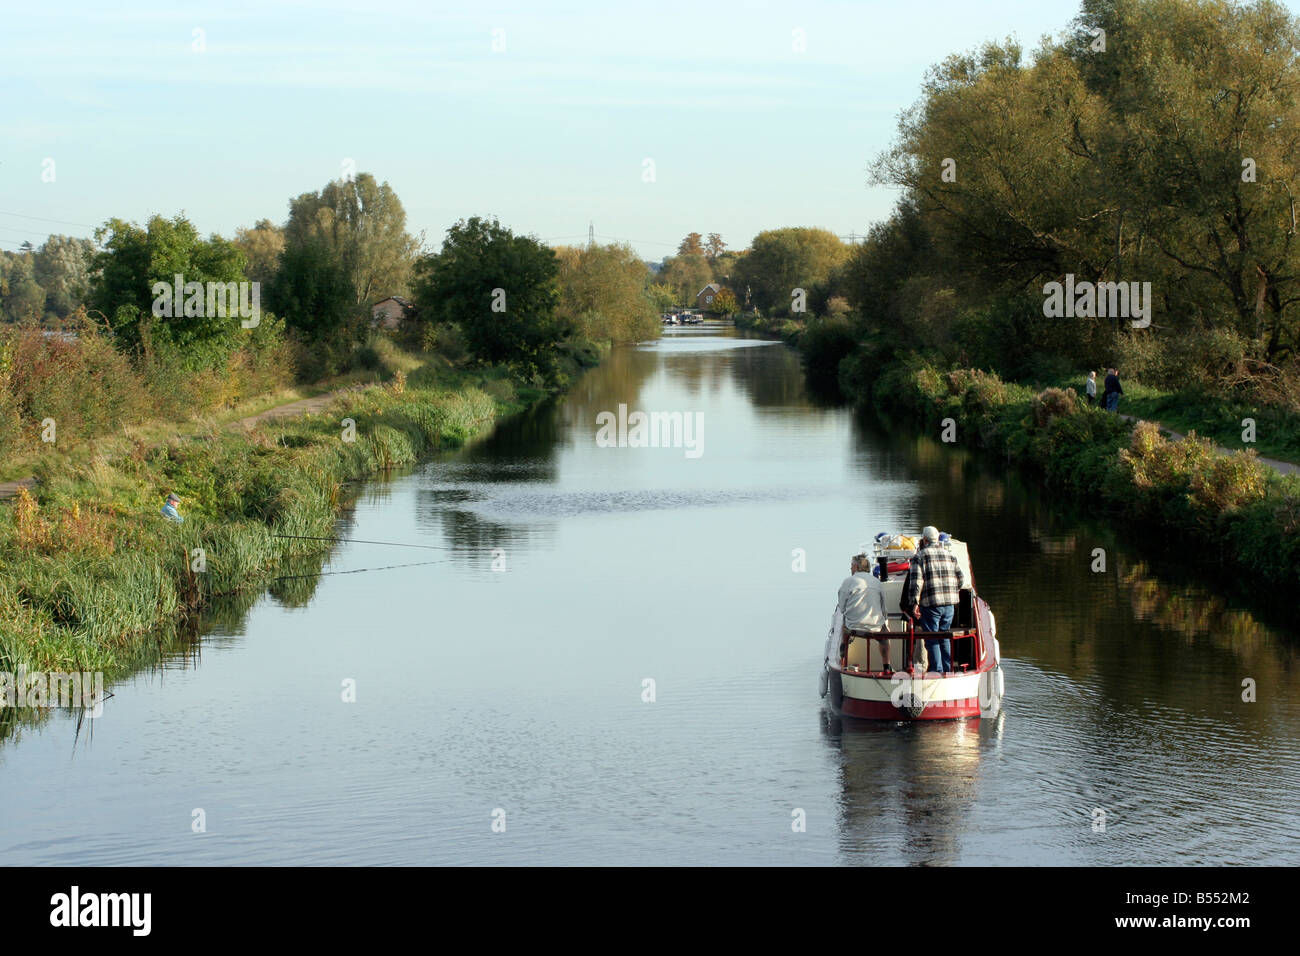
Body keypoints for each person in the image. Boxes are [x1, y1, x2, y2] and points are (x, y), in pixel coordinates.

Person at [907, 526, 967, 674]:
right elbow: (961, 579)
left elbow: (916, 582)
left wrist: (914, 602)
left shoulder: (919, 557)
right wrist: (953, 592)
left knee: (932, 638)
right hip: (949, 604)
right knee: (945, 636)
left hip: (931, 604)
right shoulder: (950, 555)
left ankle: (936, 671)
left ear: (924, 540)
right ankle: (948, 670)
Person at [837, 554, 892, 672]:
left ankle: (843, 658)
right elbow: (884, 609)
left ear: (856, 567)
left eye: (851, 566)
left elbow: (841, 608)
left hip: (853, 626)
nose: (850, 569)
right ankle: (886, 666)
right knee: (885, 637)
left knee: (843, 626)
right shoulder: (877, 582)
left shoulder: (848, 581)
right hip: (875, 626)